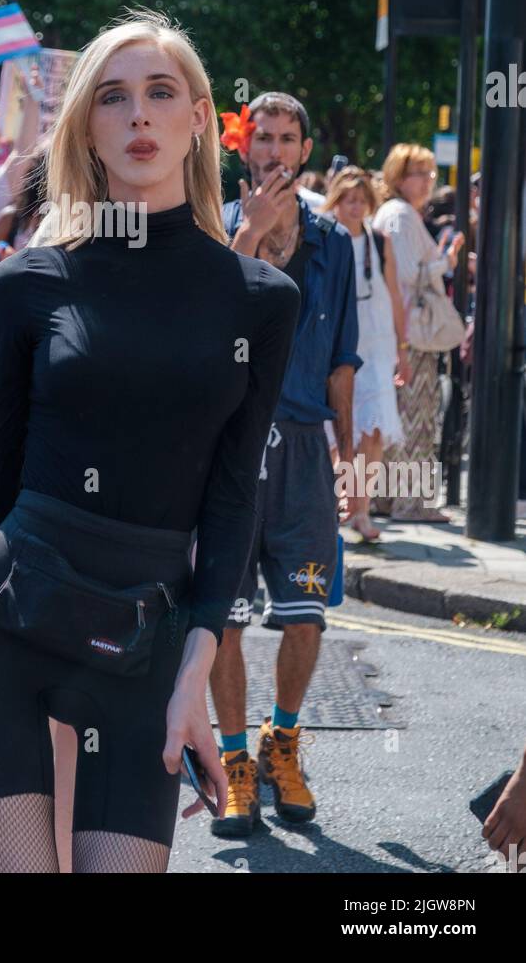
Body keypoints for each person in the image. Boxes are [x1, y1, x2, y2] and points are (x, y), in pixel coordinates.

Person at [0, 9, 299, 874]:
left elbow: (230, 499)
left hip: (150, 635)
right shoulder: (30, 282)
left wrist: (195, 676)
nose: (138, 115)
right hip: (9, 626)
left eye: (159, 93)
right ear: (87, 130)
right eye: (112, 98)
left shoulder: (260, 299)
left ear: (197, 118)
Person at [214, 92, 360, 836]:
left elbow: (343, 366)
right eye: (262, 138)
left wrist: (351, 462)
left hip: (305, 450)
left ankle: (284, 744)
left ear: (305, 151)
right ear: (247, 150)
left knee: (306, 617)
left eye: (287, 138)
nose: (273, 151)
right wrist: (251, 234)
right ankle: (234, 762)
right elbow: (207, 321)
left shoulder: (336, 243)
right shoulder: (215, 226)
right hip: (232, 442)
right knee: (225, 618)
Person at [372, 144, 464, 522]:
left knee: (398, 419)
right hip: (409, 335)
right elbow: (406, 273)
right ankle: (414, 503)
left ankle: (388, 499)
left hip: (398, 333)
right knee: (418, 418)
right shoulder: (401, 215)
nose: (428, 181)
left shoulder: (396, 213)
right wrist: (446, 261)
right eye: (419, 173)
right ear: (399, 176)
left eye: (430, 174)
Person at [324, 166, 410, 541]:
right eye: (348, 200)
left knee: (372, 430)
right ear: (336, 201)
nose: (355, 206)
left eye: (361, 200)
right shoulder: (325, 237)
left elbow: (394, 293)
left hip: (376, 346)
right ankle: (341, 501)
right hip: (338, 343)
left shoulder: (379, 241)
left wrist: (402, 348)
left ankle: (361, 508)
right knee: (337, 429)